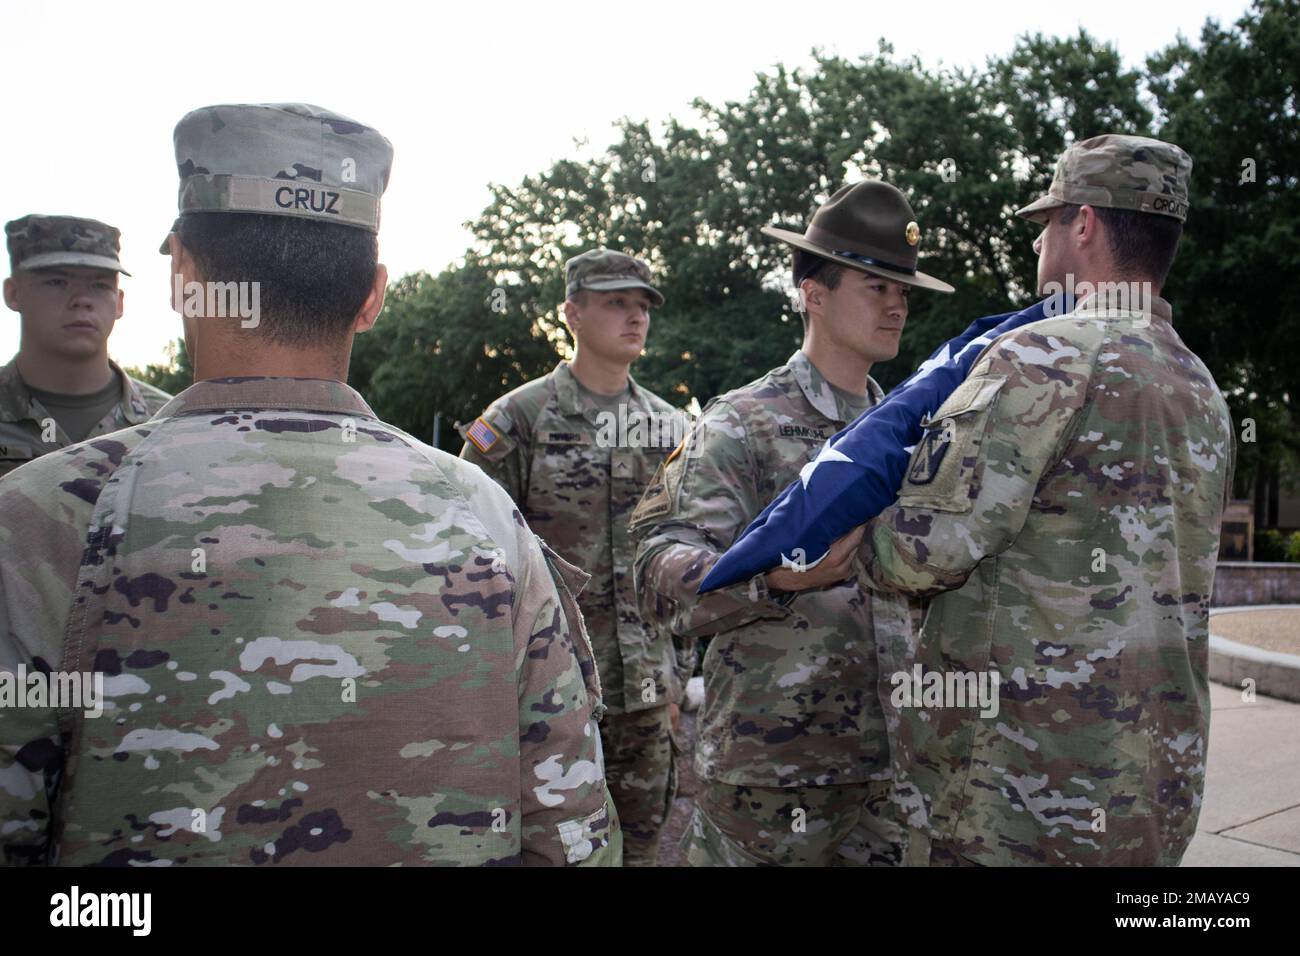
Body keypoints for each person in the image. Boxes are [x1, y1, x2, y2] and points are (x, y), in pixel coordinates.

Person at [0, 102, 618, 867]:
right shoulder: (484, 516)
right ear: (373, 296)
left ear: (184, 277)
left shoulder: (40, 518)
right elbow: (572, 834)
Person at [855, 134, 1232, 866]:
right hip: (1153, 787)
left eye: (1046, 222)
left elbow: (919, 555)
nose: (1039, 241)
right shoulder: (1203, 389)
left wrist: (842, 537)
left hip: (1019, 795)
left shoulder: (1040, 355)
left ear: (1084, 224)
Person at [631, 180, 953, 865]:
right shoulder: (741, 422)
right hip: (772, 784)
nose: (898, 303)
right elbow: (656, 574)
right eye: (876, 285)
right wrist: (772, 578)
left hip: (890, 780)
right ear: (813, 292)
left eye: (904, 289)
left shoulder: (913, 435)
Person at [460, 248, 685, 865]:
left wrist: (677, 676)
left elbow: (686, 559)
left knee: (640, 847)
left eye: (642, 305)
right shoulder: (516, 421)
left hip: (643, 687)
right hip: (545, 686)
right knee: (550, 847)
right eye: (616, 302)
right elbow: (471, 552)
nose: (635, 316)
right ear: (573, 313)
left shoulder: (670, 430)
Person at [0, 215, 171, 477]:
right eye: (57, 282)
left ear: (119, 302)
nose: (82, 300)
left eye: (100, 285)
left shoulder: (165, 422)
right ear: (13, 293)